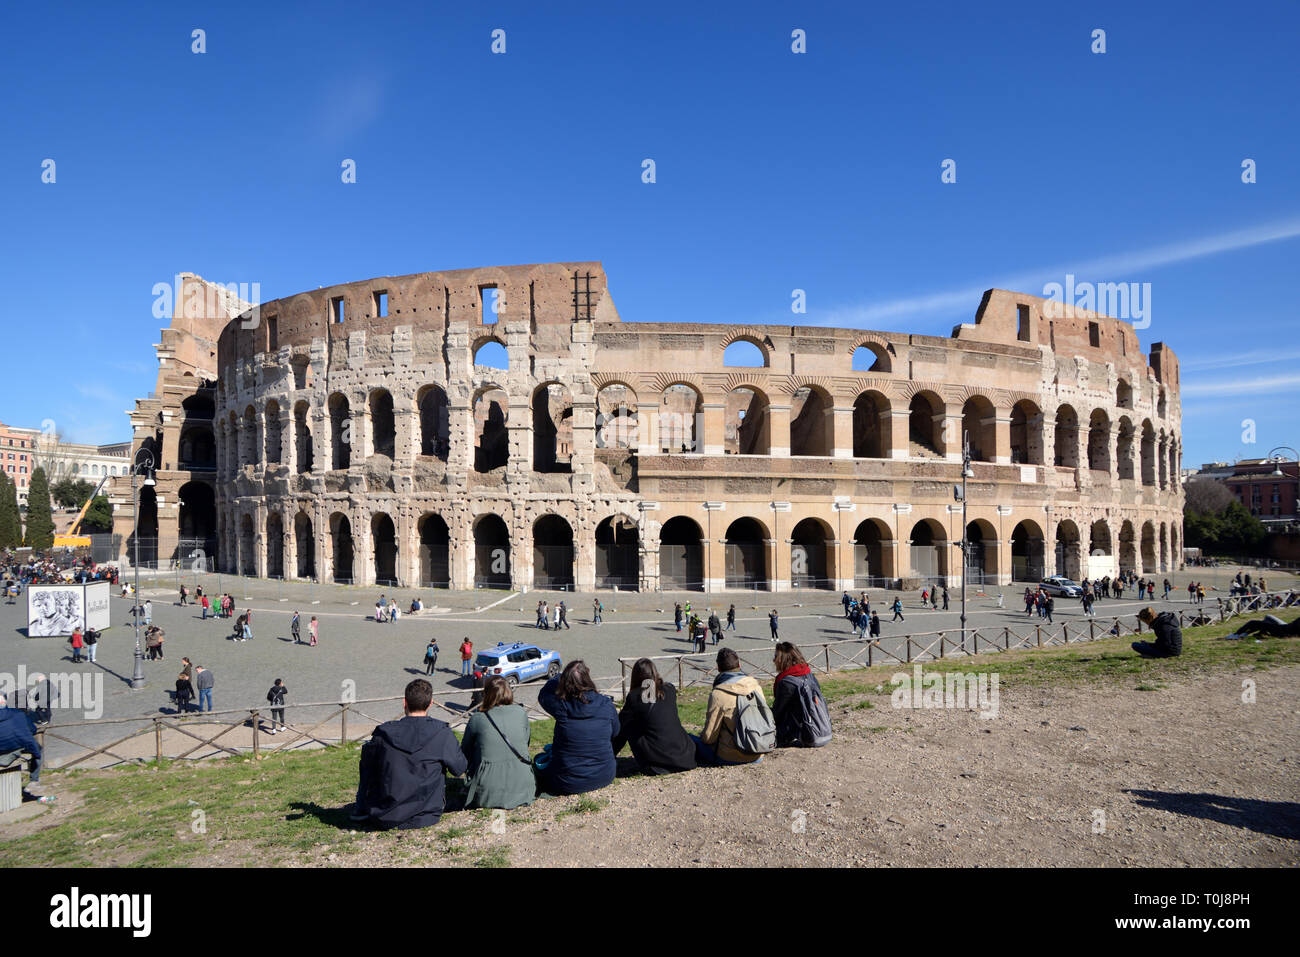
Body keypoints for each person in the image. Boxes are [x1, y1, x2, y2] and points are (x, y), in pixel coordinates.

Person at [352, 679, 467, 829]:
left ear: (404, 702)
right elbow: (459, 768)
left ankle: (361, 809)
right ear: (431, 703)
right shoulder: (441, 733)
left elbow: (367, 772)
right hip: (426, 814)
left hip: (385, 813)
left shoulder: (383, 734)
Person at [536, 661, 619, 796]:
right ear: (588, 679)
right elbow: (616, 732)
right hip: (605, 775)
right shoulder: (606, 705)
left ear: (565, 683)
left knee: (539, 760)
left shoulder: (560, 707)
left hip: (568, 781)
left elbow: (544, 694)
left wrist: (559, 676)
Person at [459, 676, 535, 810]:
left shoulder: (477, 719)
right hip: (524, 786)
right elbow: (526, 742)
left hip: (487, 791)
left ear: (486, 694)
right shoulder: (520, 712)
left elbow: (465, 753)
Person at [613, 658, 697, 775]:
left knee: (629, 724)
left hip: (658, 764)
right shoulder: (670, 689)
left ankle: (611, 756)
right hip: (684, 756)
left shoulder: (635, 697)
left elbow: (621, 727)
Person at [694, 648, 765, 766]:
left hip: (730, 756)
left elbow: (709, 738)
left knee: (689, 738)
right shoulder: (756, 686)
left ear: (718, 668)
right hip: (758, 751)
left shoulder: (718, 694)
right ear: (739, 664)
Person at [771, 642, 832, 748]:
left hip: (806, 734)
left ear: (783, 659)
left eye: (776, 656)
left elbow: (777, 713)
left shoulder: (786, 682)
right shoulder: (809, 674)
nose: (773, 660)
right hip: (823, 729)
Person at [0, 695, 43, 793]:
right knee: (38, 748)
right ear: (5, 702)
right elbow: (33, 729)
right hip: (15, 750)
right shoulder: (17, 713)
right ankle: (34, 781)